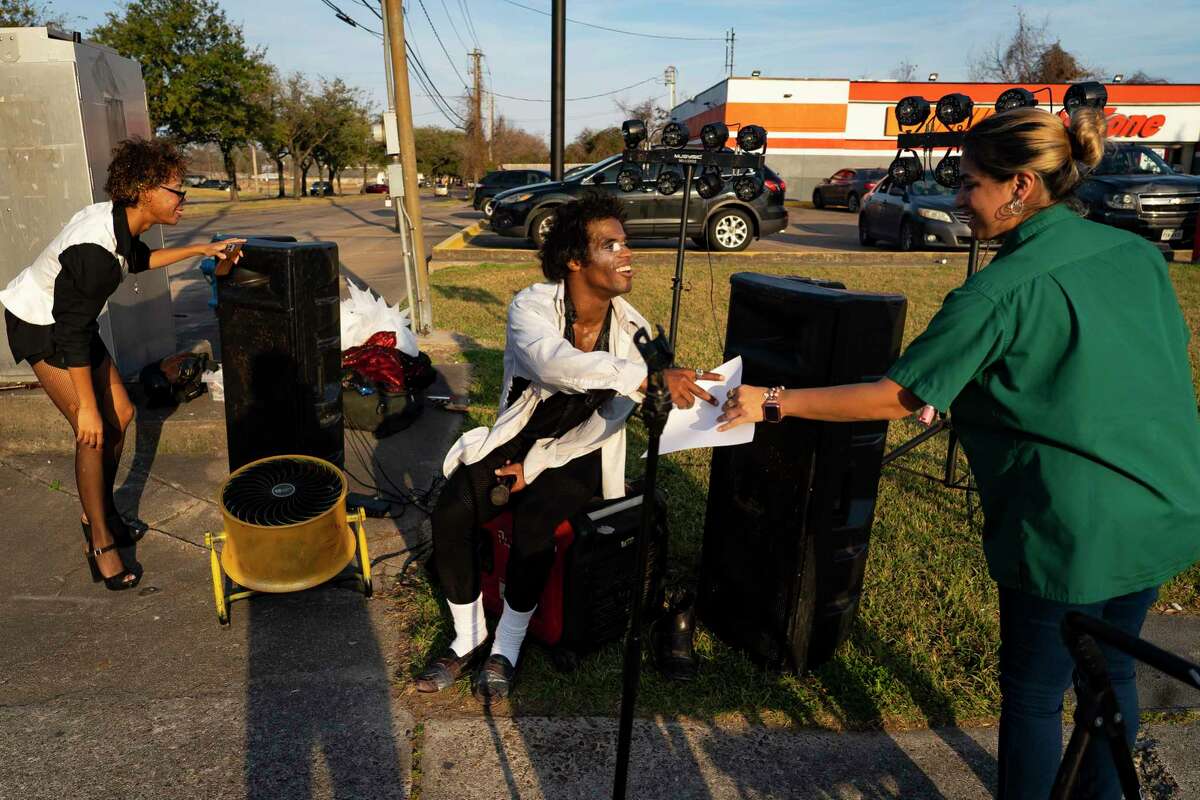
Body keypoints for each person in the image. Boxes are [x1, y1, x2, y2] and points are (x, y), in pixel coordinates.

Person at [718, 107, 1200, 798]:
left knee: (1035, 695)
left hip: (1073, 532)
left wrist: (775, 400)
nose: (957, 199)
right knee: (1111, 671)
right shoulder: (1136, 254)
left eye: (971, 183)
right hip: (1166, 505)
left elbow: (896, 396)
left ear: (1021, 187)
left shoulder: (998, 289)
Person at [416, 192, 719, 704]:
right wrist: (640, 377)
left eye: (625, 244)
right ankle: (467, 638)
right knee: (451, 511)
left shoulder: (637, 332)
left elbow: (609, 417)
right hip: (518, 434)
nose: (627, 255)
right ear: (575, 260)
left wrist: (536, 467)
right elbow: (553, 365)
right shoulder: (530, 306)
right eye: (611, 245)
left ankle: (506, 648)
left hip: (583, 449)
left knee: (535, 521)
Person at [0, 137, 244, 591]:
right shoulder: (92, 248)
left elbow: (136, 262)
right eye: (176, 191)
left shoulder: (122, 225)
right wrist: (86, 408)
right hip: (41, 323)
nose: (183, 201)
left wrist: (199, 252)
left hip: (71, 321)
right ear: (144, 189)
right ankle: (99, 539)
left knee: (125, 413)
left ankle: (101, 508)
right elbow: (69, 331)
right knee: (91, 430)